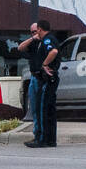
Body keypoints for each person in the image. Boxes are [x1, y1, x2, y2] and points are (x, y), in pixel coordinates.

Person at [18, 20, 60, 149]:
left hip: (46, 79)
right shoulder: (39, 41)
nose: (36, 34)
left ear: (40, 29)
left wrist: (44, 64)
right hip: (41, 78)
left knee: (42, 110)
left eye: (36, 31)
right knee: (47, 110)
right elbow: (20, 48)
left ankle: (41, 139)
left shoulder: (47, 39)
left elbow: (53, 51)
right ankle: (50, 139)